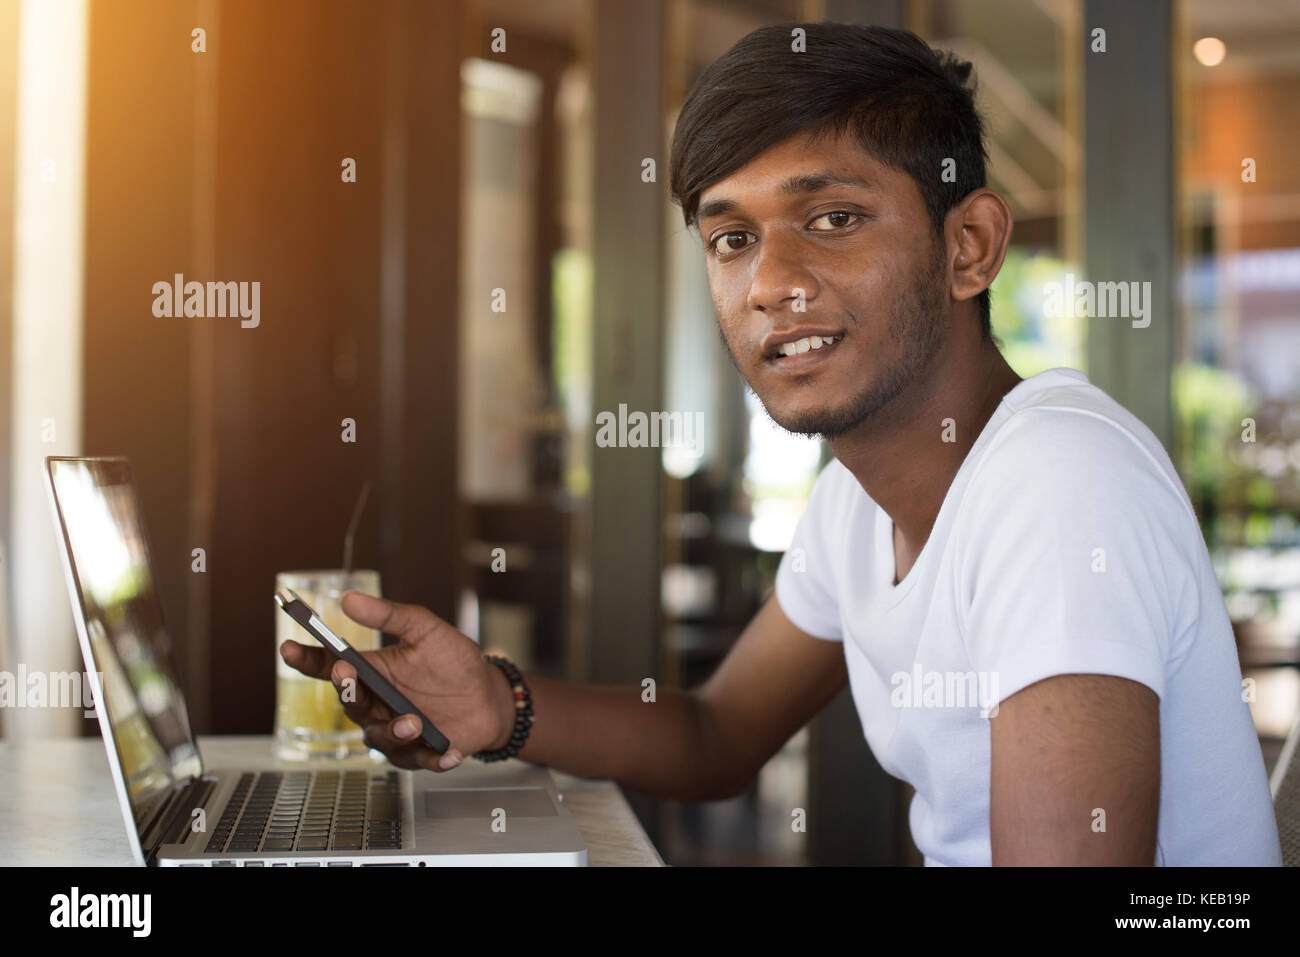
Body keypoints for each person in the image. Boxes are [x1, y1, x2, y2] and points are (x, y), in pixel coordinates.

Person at [282, 22, 1282, 866]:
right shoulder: (860, 499)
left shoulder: (1058, 482)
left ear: (968, 247)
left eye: (833, 217)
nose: (771, 282)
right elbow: (714, 737)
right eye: (731, 239)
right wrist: (499, 705)